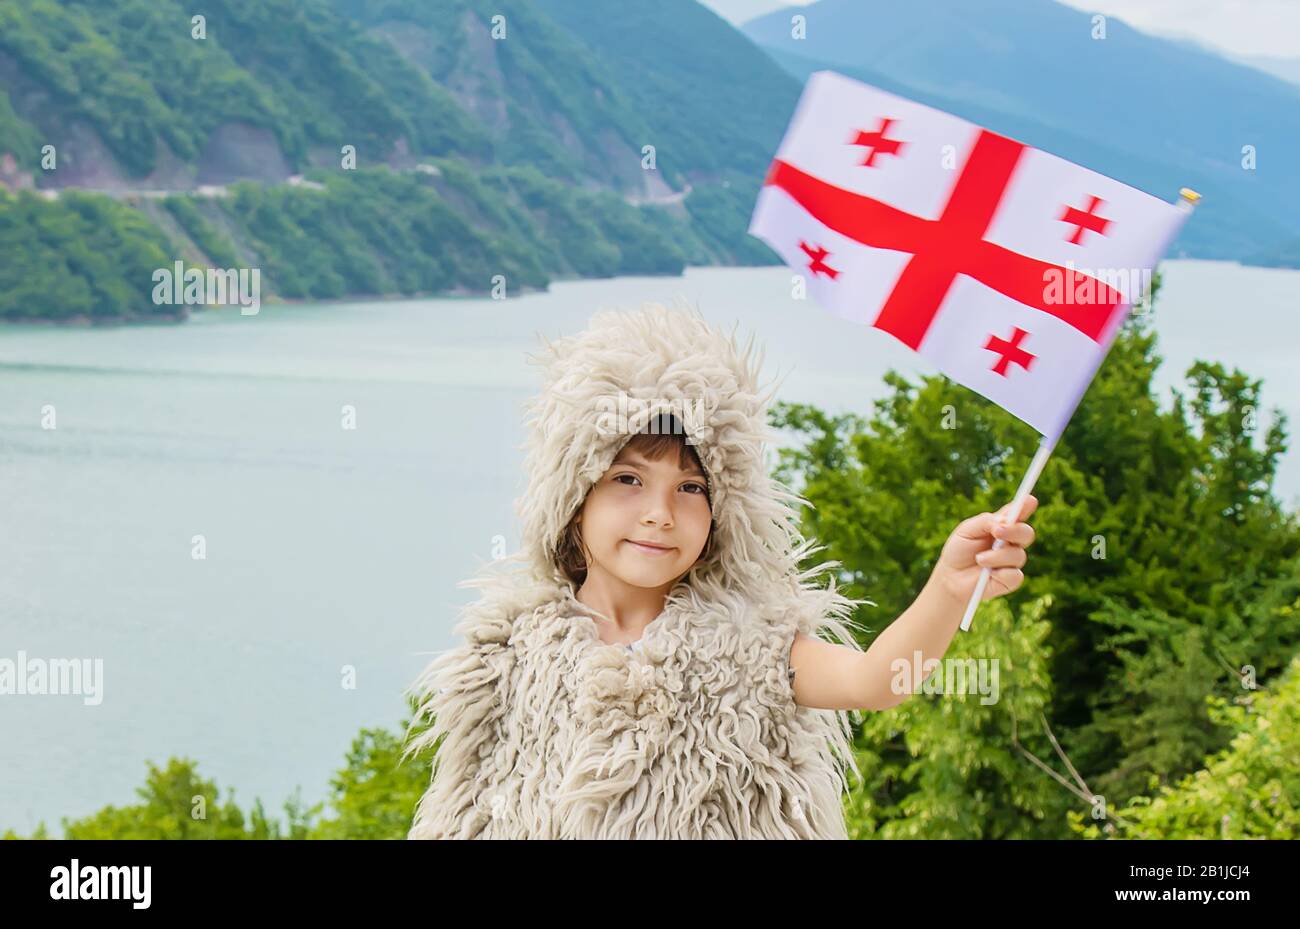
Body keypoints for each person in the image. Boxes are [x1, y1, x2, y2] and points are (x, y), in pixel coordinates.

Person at [404, 301, 1037, 839]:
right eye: (628, 480)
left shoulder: (749, 645)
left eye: (689, 488)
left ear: (722, 511)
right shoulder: (506, 653)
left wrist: (950, 588)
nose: (659, 514)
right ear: (575, 499)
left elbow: (878, 680)